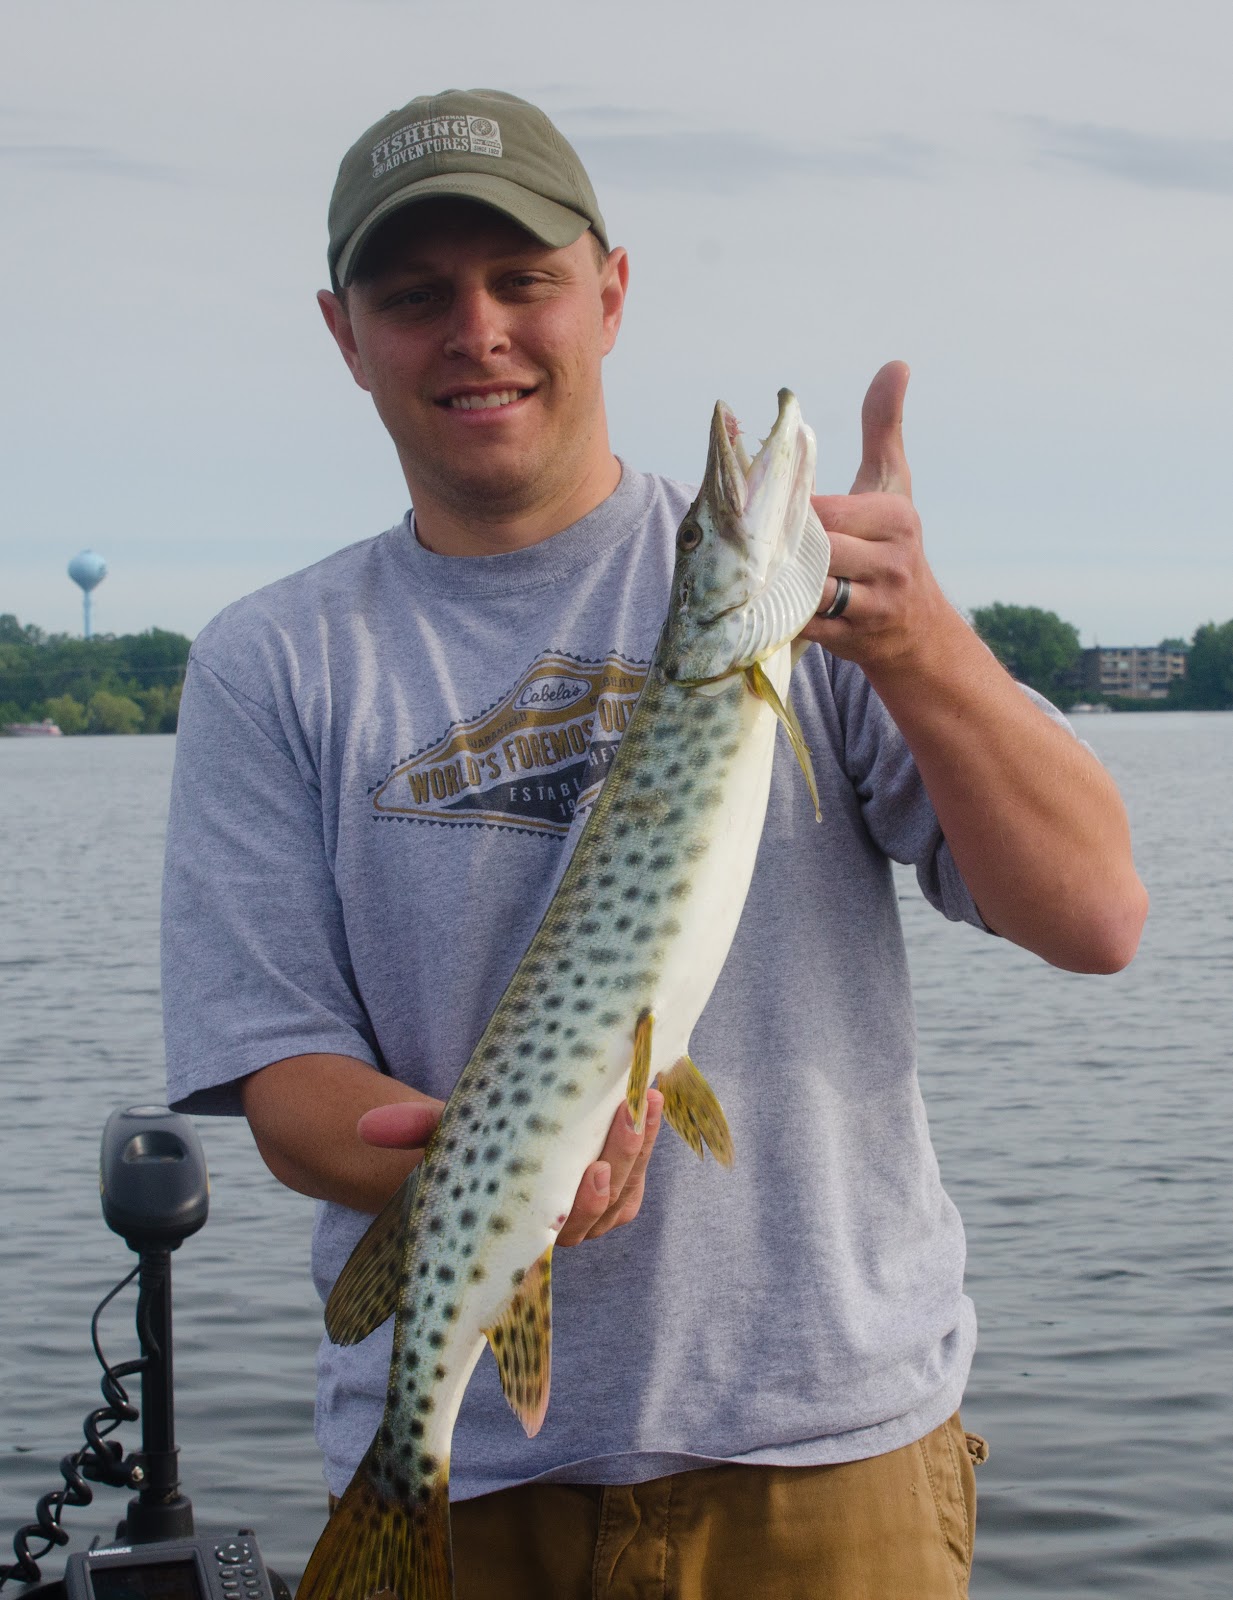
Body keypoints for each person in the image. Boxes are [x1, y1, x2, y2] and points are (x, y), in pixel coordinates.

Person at [162, 88, 1147, 1598]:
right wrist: (490, 1171)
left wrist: (926, 645)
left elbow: (1094, 918)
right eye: (415, 296)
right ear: (342, 333)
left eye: (523, 282)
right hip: (472, 1482)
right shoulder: (271, 662)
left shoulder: (833, 626)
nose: (475, 330)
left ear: (608, 295)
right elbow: (285, 1081)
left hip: (826, 1467)